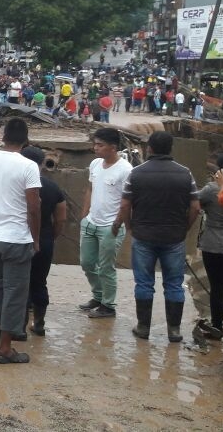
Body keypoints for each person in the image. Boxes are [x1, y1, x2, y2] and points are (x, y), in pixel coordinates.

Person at [114, 132, 199, 342]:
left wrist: (129, 227)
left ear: (150, 148)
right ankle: (174, 331)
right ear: (170, 149)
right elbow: (195, 207)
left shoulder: (136, 173)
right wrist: (184, 229)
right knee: (174, 284)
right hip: (174, 237)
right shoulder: (185, 173)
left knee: (143, 284)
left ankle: (143, 328)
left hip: (143, 235)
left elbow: (125, 205)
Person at [0, 118, 40, 364]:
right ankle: (5, 347)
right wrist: (35, 239)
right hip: (17, 239)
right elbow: (34, 207)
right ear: (26, 140)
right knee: (14, 294)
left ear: (4, 137)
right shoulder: (28, 166)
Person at [78, 128, 132, 318]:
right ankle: (98, 295)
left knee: (106, 267)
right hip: (91, 222)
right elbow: (90, 189)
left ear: (113, 147)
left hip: (110, 226)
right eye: (95, 144)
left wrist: (117, 224)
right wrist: (84, 216)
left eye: (100, 145)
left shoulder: (126, 170)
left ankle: (108, 305)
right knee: (86, 263)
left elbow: (127, 201)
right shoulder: (95, 164)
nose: (95, 148)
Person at [20, 146, 66, 338]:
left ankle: (18, 325)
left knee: (18, 284)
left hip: (18, 238)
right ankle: (39, 323)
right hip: (44, 240)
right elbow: (61, 218)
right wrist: (51, 236)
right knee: (39, 282)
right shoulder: (52, 187)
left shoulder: (15, 184)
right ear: (41, 165)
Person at [198, 157, 223, 338]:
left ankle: (216, 325)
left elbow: (195, 204)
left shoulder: (211, 189)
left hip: (214, 245)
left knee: (217, 286)